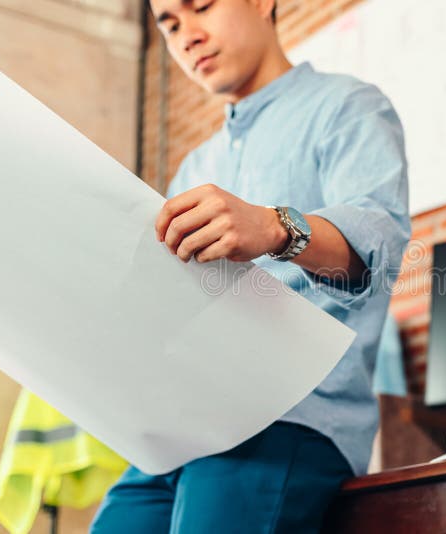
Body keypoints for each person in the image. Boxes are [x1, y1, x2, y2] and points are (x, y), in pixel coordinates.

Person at [90, 0, 410, 532]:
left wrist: (276, 228)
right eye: (169, 23)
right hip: (182, 425)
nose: (186, 35)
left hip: (289, 419)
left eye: (201, 7)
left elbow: (378, 244)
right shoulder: (195, 166)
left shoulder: (348, 106)